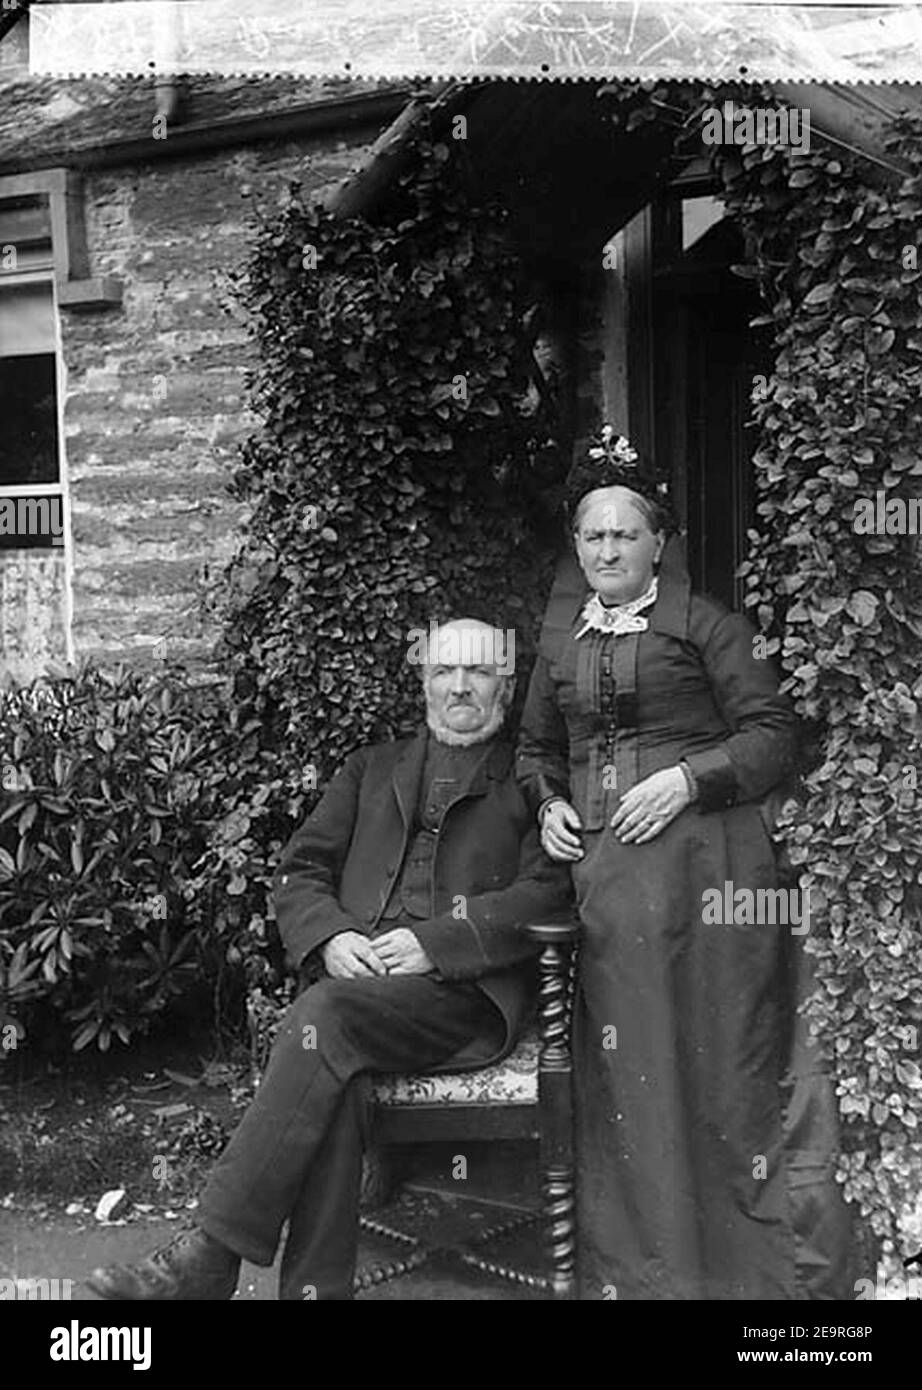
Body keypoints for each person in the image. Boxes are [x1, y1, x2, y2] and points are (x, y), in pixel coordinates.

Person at [89, 617, 571, 1301]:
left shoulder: (529, 781)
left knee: (325, 1019)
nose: (460, 686)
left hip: (461, 997)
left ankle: (211, 1254)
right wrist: (332, 938)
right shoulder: (370, 769)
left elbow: (545, 894)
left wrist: (433, 945)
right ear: (424, 684)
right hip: (358, 992)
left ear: (507, 686)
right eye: (444, 671)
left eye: (479, 671)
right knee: (332, 1065)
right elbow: (301, 870)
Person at [516, 428, 857, 1300]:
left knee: (719, 1067)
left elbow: (774, 737)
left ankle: (747, 1281)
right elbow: (534, 750)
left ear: (658, 542)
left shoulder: (707, 626)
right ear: (576, 547)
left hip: (711, 873)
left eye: (625, 534)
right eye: (593, 536)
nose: (608, 551)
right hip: (609, 889)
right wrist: (548, 803)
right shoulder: (560, 644)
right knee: (635, 1073)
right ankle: (652, 1278)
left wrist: (686, 780)